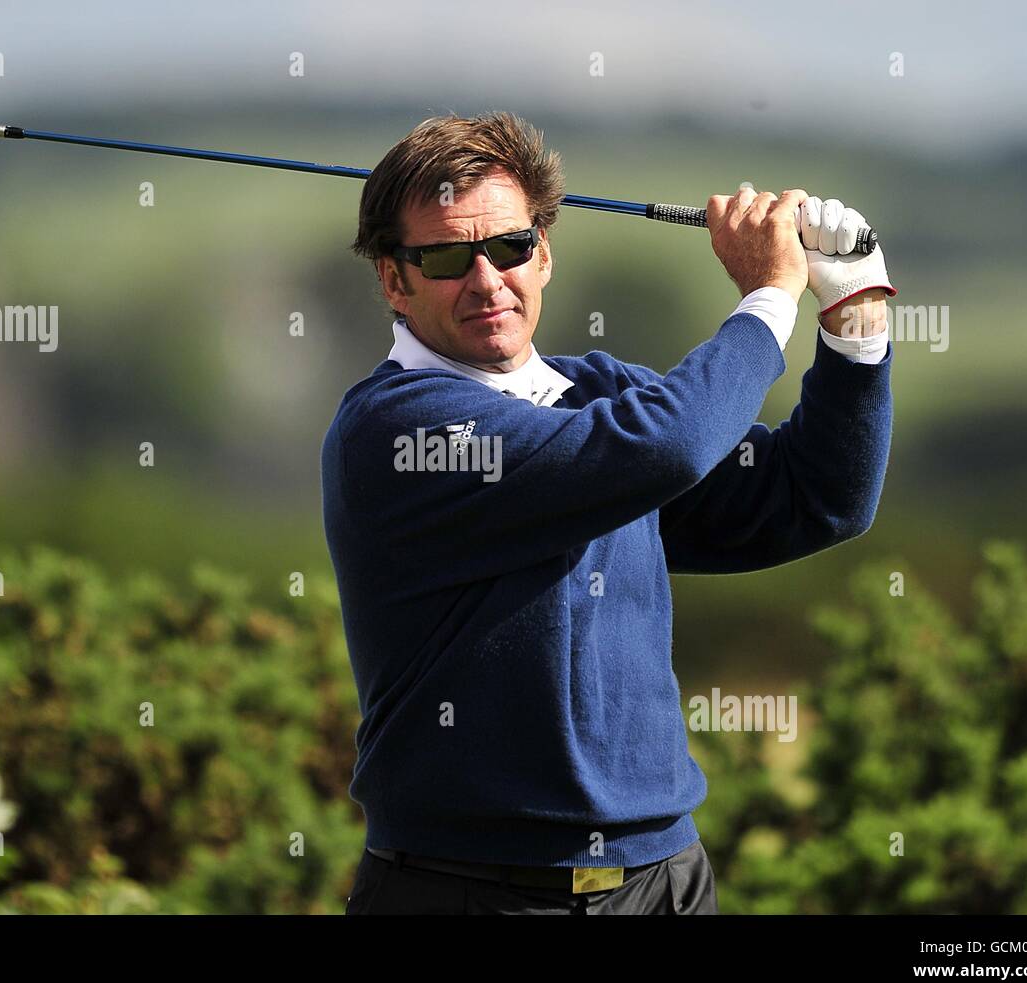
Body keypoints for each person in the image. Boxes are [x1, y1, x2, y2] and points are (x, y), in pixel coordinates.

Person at [322, 111, 895, 915]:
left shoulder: (600, 394)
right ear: (394, 280)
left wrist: (855, 321)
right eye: (448, 257)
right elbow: (661, 448)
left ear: (544, 253)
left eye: (511, 248)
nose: (487, 281)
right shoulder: (395, 428)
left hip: (664, 880)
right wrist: (769, 297)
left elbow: (818, 499)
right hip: (467, 889)